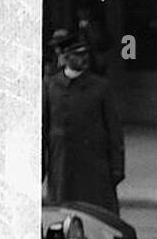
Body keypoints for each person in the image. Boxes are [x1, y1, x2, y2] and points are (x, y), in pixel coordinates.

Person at [41, 31, 125, 214]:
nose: (84, 59)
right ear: (65, 58)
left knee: (97, 217)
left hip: (95, 167)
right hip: (62, 166)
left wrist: (117, 167)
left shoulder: (100, 87)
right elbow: (42, 130)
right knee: (61, 218)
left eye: (85, 54)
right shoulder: (51, 86)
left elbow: (114, 131)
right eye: (78, 55)